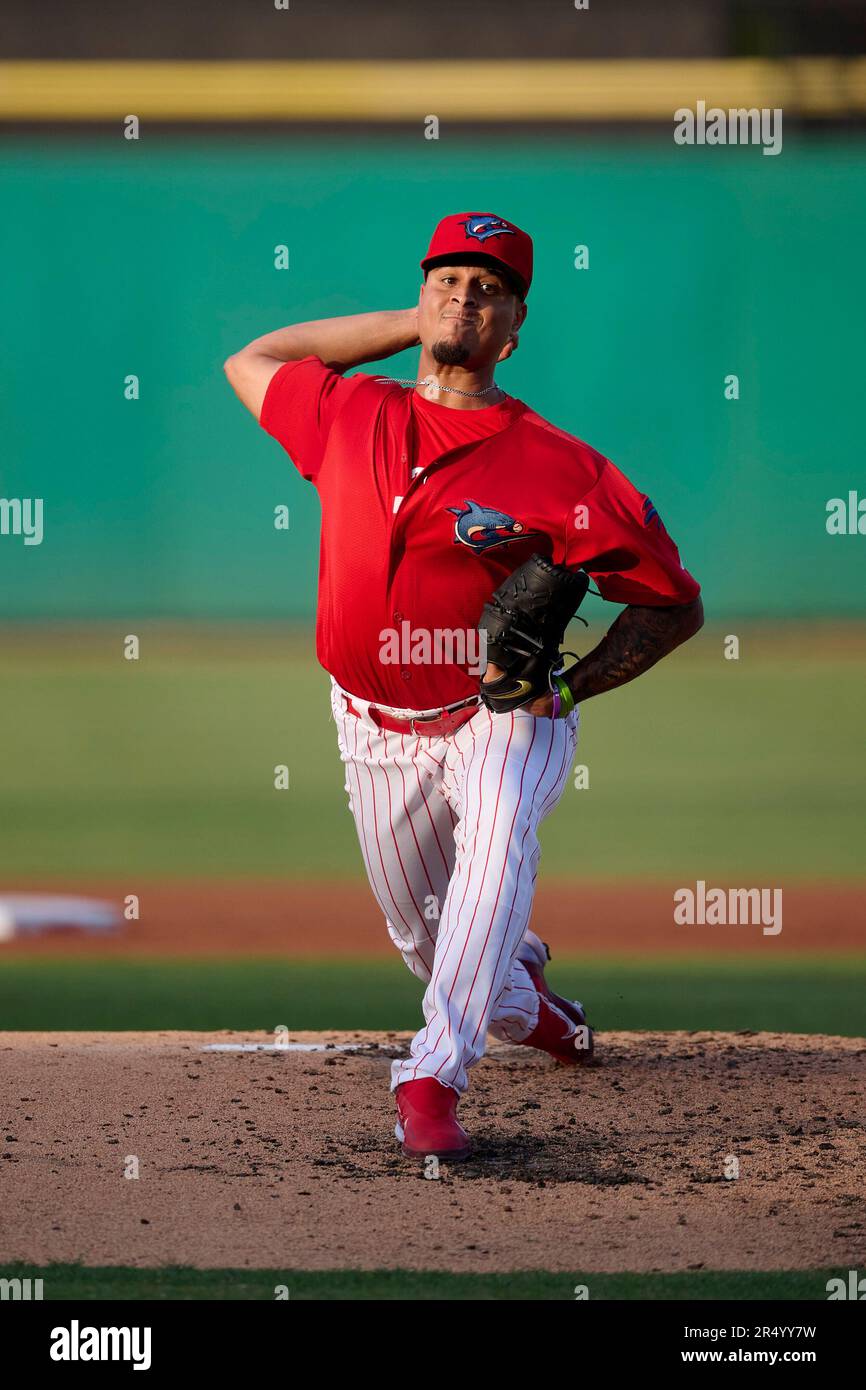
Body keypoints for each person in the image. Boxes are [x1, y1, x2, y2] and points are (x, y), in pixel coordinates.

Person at [224, 211, 703, 1160]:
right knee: (428, 937)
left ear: (514, 328)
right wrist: (412, 321)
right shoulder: (347, 414)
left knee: (495, 847)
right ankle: (529, 1008)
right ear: (421, 297)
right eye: (448, 279)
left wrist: (566, 689)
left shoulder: (563, 469)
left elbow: (670, 604)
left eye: (489, 289)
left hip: (498, 717)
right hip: (372, 726)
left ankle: (433, 1077)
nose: (464, 296)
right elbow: (256, 357)